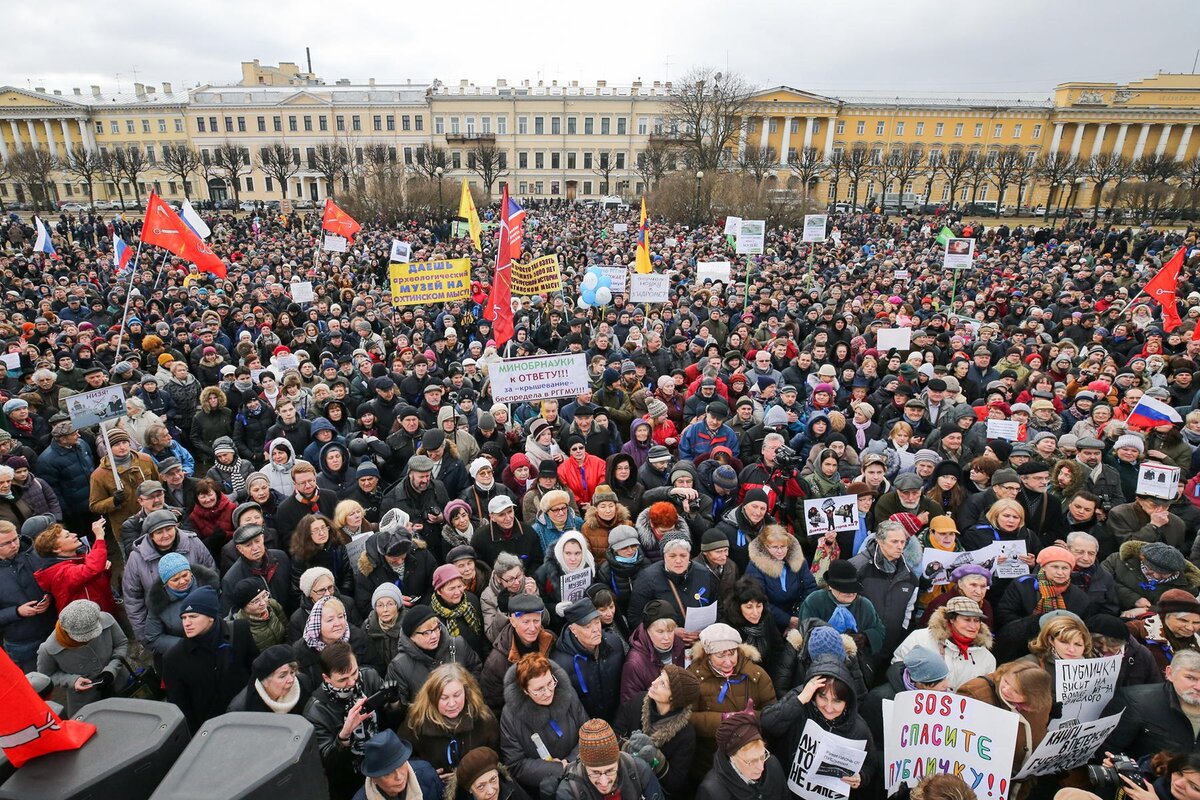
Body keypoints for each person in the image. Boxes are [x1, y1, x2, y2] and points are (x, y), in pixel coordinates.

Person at [761, 656, 875, 792]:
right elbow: (767, 723)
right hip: (788, 790)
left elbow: (870, 765)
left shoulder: (859, 728)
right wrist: (800, 699)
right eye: (822, 697)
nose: (829, 707)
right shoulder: (800, 708)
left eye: (837, 701)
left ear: (847, 702)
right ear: (813, 695)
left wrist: (860, 778)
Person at [303, 641, 399, 797]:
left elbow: (393, 723)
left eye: (354, 672)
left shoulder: (368, 676)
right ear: (326, 678)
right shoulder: (316, 711)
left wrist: (394, 703)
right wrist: (345, 734)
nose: (352, 682)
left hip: (383, 759)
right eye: (343, 680)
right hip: (352, 779)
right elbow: (328, 764)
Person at [687, 623, 776, 783]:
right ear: (707, 655)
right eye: (720, 656)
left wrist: (752, 717)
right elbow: (686, 718)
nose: (728, 662)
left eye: (732, 653)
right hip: (710, 758)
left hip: (750, 757)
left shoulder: (756, 674)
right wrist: (723, 720)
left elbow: (772, 712)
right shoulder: (693, 678)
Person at [163, 585, 257, 732]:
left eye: (193, 616)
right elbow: (183, 710)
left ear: (211, 617)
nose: (186, 623)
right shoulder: (173, 658)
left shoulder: (240, 631)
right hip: (213, 732)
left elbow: (255, 670)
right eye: (184, 617)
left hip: (249, 717)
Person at [499, 653, 588, 795]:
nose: (548, 692)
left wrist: (571, 762)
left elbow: (587, 733)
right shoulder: (510, 716)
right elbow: (516, 764)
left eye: (550, 683)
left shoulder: (568, 694)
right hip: (543, 788)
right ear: (525, 690)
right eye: (539, 689)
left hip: (579, 775)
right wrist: (558, 769)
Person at [123, 508, 216, 640]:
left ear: (176, 527)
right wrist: (144, 635)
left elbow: (209, 572)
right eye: (159, 532)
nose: (165, 535)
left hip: (200, 614)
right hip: (165, 626)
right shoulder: (137, 558)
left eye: (169, 529)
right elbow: (133, 600)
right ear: (150, 535)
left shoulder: (193, 543)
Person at [400, 663, 500, 780]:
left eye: (457, 695)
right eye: (444, 698)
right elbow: (402, 760)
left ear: (466, 692)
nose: (452, 704)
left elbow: (496, 756)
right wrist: (424, 773)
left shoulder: (484, 717)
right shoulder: (417, 721)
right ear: (432, 697)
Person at [995, 545, 1093, 659]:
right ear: (1044, 567)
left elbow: (1081, 628)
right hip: (1020, 644)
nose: (1060, 572)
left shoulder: (1080, 597)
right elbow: (1004, 616)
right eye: (1055, 567)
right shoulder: (1022, 584)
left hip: (1062, 650)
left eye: (1065, 568)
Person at [957, 660, 1053, 774]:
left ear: (1031, 696)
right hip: (982, 773)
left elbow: (1038, 734)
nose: (1006, 690)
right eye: (1006, 681)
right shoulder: (975, 692)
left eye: (1016, 691)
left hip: (1020, 778)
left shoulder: (1040, 705)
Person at [36, 598, 129, 716]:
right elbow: (46, 676)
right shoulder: (48, 648)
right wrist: (72, 680)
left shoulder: (106, 619)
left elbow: (121, 644)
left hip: (121, 685)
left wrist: (112, 669)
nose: (90, 639)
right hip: (86, 701)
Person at [1103, 648, 1200, 759]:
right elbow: (1107, 750)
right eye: (1190, 678)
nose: (1198, 687)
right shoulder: (1135, 701)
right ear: (1170, 673)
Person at [849, 521, 919, 669]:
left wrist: (900, 638)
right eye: (894, 541)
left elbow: (909, 614)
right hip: (858, 647)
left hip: (890, 647)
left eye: (902, 542)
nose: (900, 546)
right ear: (879, 541)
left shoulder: (910, 577)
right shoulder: (857, 567)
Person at [627, 531, 719, 643]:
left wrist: (707, 631)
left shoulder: (704, 574)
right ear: (663, 556)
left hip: (699, 642)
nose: (678, 561)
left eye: (683, 555)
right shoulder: (648, 578)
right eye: (672, 556)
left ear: (689, 555)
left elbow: (718, 607)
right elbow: (635, 617)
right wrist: (669, 631)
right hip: (665, 644)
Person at [385, 603, 482, 707]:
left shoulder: (458, 645)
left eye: (436, 628)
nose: (434, 636)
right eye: (426, 633)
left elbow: (476, 671)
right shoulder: (399, 666)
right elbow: (400, 713)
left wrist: (463, 694)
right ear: (411, 637)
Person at [893, 595, 996, 690]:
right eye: (967, 619)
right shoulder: (919, 638)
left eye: (977, 620)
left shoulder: (987, 658)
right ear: (951, 619)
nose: (973, 626)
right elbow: (899, 668)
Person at [480, 593, 555, 716]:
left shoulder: (551, 640)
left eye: (536, 621)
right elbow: (493, 706)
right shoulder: (497, 661)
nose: (533, 628)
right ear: (512, 621)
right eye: (526, 622)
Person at [553, 718, 663, 800]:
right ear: (584, 765)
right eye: (595, 772)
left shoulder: (639, 769)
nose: (604, 783)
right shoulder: (569, 791)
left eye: (610, 770)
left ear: (618, 760)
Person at [551, 597, 624, 719]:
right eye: (587, 626)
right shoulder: (559, 664)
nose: (595, 629)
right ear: (573, 629)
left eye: (597, 622)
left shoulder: (614, 643)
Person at [32, 516, 117, 617]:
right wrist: (99, 538)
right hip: (87, 624)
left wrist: (105, 568)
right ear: (56, 549)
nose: (74, 535)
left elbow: (95, 573)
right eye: (67, 536)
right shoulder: (59, 573)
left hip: (104, 612)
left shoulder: (79, 558)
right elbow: (92, 569)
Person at [143, 551, 220, 659]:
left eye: (185, 575)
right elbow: (153, 638)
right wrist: (185, 645)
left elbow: (221, 613)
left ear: (191, 572)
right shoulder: (158, 603)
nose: (182, 581)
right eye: (175, 580)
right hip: (186, 655)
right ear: (165, 583)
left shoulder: (209, 586)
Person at [0, 519, 55, 671]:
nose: (14, 545)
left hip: (53, 628)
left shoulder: (35, 554)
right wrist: (17, 612)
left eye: (15, 539)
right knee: (38, 686)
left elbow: (53, 579)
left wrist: (49, 595)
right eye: (6, 543)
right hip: (23, 641)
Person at [293, 595, 378, 687]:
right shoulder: (301, 651)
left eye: (341, 617)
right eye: (330, 620)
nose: (338, 623)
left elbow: (375, 669)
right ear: (317, 623)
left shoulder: (359, 638)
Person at [696, 711, 784, 800]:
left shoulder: (772, 764)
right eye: (751, 761)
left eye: (762, 756)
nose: (761, 767)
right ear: (732, 758)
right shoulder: (713, 791)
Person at [744, 524, 816, 631]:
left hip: (799, 617)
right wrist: (787, 620)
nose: (780, 551)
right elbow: (758, 600)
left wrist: (797, 617)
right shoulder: (755, 567)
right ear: (765, 547)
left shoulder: (799, 561)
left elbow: (811, 589)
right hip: (768, 622)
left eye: (783, 547)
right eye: (774, 547)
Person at [620, 599, 687, 701]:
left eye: (670, 631)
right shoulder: (634, 663)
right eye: (660, 632)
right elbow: (630, 704)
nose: (667, 638)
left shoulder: (681, 646)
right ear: (647, 631)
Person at [222, 523, 293, 614]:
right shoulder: (231, 579)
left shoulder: (281, 557)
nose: (255, 548)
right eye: (248, 545)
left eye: (257, 541)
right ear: (239, 549)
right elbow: (232, 614)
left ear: (263, 538)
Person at [1126, 589, 1200, 674]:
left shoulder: (1197, 642)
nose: (1190, 628)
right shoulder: (1136, 630)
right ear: (1165, 616)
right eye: (1183, 620)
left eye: (1196, 622)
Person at [226, 643, 314, 715]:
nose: (291, 680)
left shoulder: (303, 683)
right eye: (282, 676)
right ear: (264, 681)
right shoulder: (240, 709)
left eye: (292, 672)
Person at [354, 730, 443, 800]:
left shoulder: (428, 776)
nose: (399, 777)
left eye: (400, 765)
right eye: (388, 773)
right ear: (374, 778)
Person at [453, 746, 532, 800]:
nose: (491, 791)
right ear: (469, 790)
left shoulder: (511, 789)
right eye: (481, 786)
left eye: (493, 779)